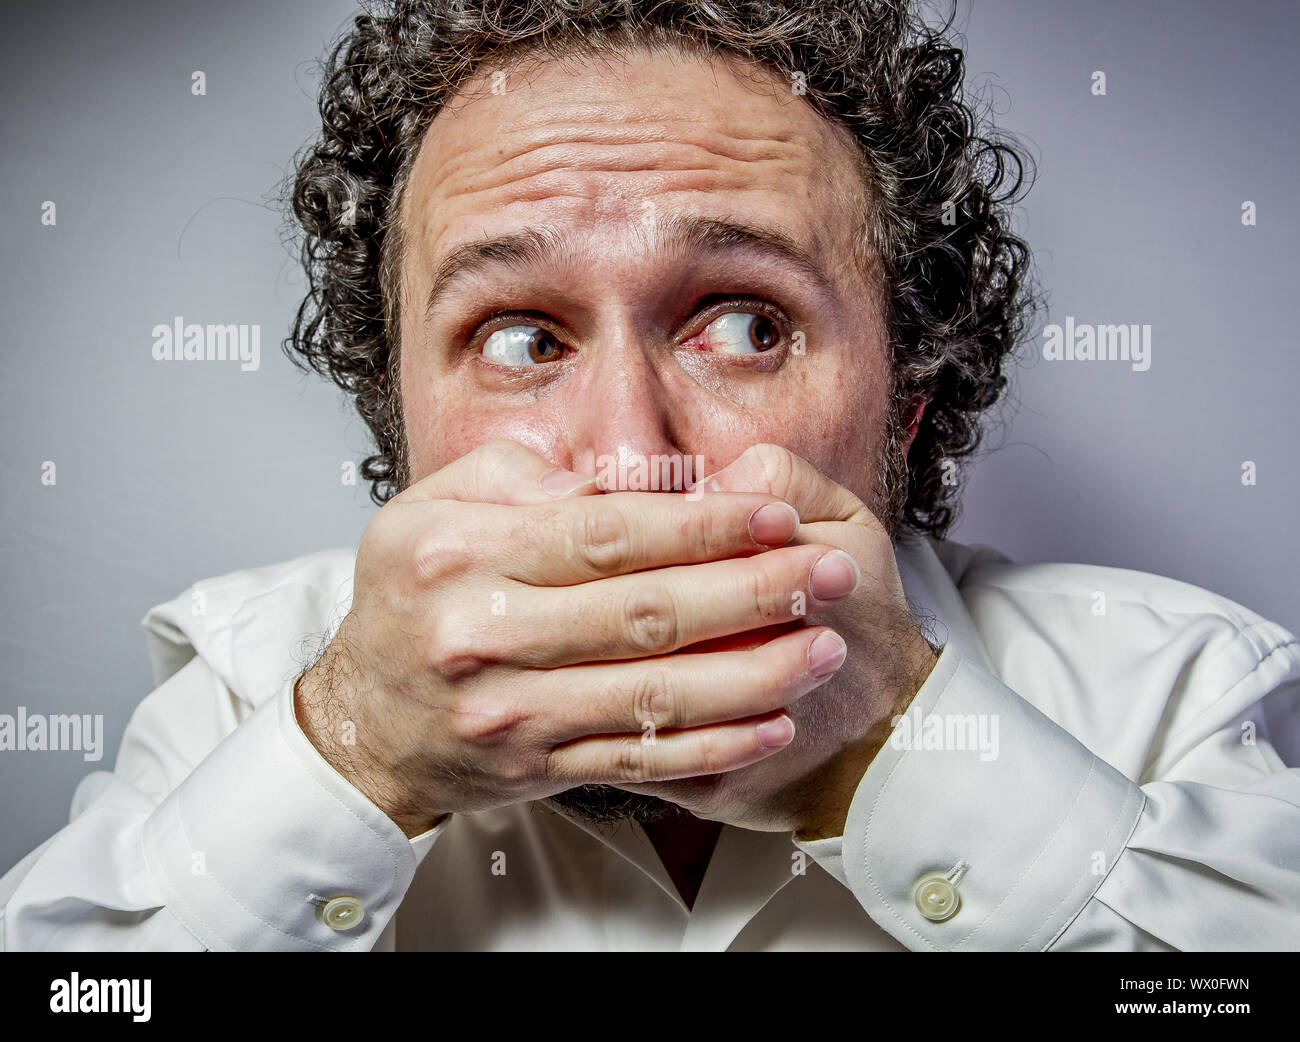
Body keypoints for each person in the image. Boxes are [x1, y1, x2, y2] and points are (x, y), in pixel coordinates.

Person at [3, 0, 1297, 951]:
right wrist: (353, 755)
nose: (631, 455)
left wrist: (903, 754)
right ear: (403, 421)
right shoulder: (249, 685)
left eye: (746, 322)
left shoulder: (1160, 689)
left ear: (906, 408)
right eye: (522, 336)